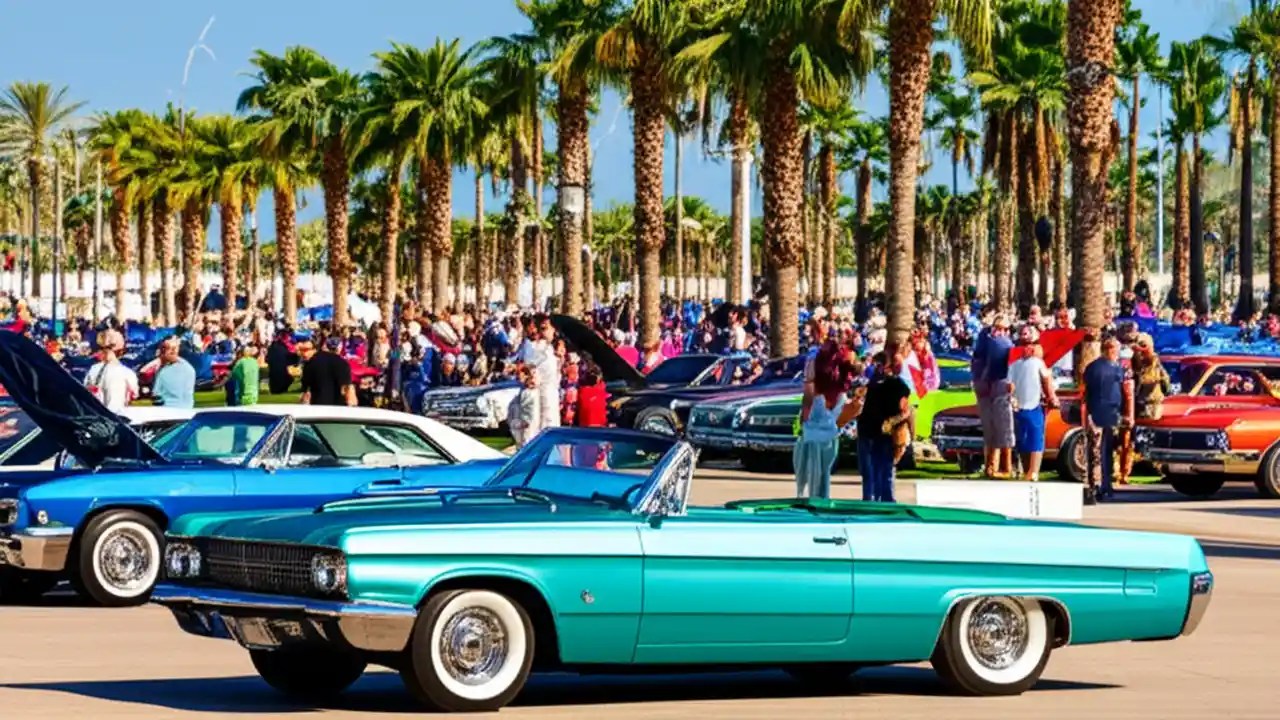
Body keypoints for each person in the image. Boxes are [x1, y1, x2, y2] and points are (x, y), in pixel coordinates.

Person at [793, 341, 859, 499]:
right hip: (830, 437)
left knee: (811, 473)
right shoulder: (841, 393)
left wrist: (803, 421)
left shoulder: (814, 387)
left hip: (812, 435)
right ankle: (823, 499)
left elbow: (807, 402)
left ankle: (813, 500)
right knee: (824, 474)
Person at [857, 348, 912, 502]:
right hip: (881, 431)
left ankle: (871, 501)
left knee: (872, 472)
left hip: (871, 430)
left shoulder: (870, 384)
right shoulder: (899, 386)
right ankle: (885, 501)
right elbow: (904, 409)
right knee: (884, 470)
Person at [1083, 337, 1131, 503]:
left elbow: (1086, 390)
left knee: (1094, 451)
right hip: (1109, 413)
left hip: (1094, 411)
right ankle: (1105, 485)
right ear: (1111, 350)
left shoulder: (1091, 367)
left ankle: (1094, 484)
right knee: (1105, 451)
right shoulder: (1117, 369)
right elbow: (1124, 392)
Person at [1008, 342, 1058, 481]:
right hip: (1034, 405)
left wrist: (1012, 399)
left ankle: (1026, 471)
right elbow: (1047, 381)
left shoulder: (1014, 365)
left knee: (1023, 440)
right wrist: (1052, 398)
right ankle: (1033, 471)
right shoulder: (1038, 363)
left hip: (1018, 407)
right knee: (1036, 439)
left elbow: (1009, 385)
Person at [981, 316, 1015, 477]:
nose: (999, 332)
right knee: (990, 428)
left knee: (1004, 428)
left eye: (1003, 329)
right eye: (997, 327)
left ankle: (1006, 467)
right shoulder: (987, 341)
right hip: (989, 387)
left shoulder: (1005, 344)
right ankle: (990, 466)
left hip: (1002, 386)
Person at [84, 329, 138, 413]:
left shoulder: (93, 369)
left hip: (96, 419)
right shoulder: (127, 374)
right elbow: (134, 396)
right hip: (117, 420)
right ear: (121, 350)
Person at [301, 336, 356, 407]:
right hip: (338, 409)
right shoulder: (342, 363)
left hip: (317, 407)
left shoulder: (310, 363)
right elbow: (348, 389)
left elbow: (305, 391)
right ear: (339, 348)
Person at [153, 337, 196, 409]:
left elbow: (156, 396)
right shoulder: (189, 368)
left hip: (167, 413)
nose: (160, 354)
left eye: (163, 350)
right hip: (186, 412)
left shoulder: (164, 371)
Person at [507, 365, 541, 448]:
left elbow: (531, 409)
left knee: (527, 442)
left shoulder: (531, 393)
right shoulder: (524, 391)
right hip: (521, 421)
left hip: (527, 423)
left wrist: (526, 421)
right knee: (521, 443)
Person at [265, 330, 297, 395]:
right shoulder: (283, 348)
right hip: (281, 376)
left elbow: (267, 360)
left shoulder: (272, 347)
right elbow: (292, 360)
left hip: (273, 378)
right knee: (289, 378)